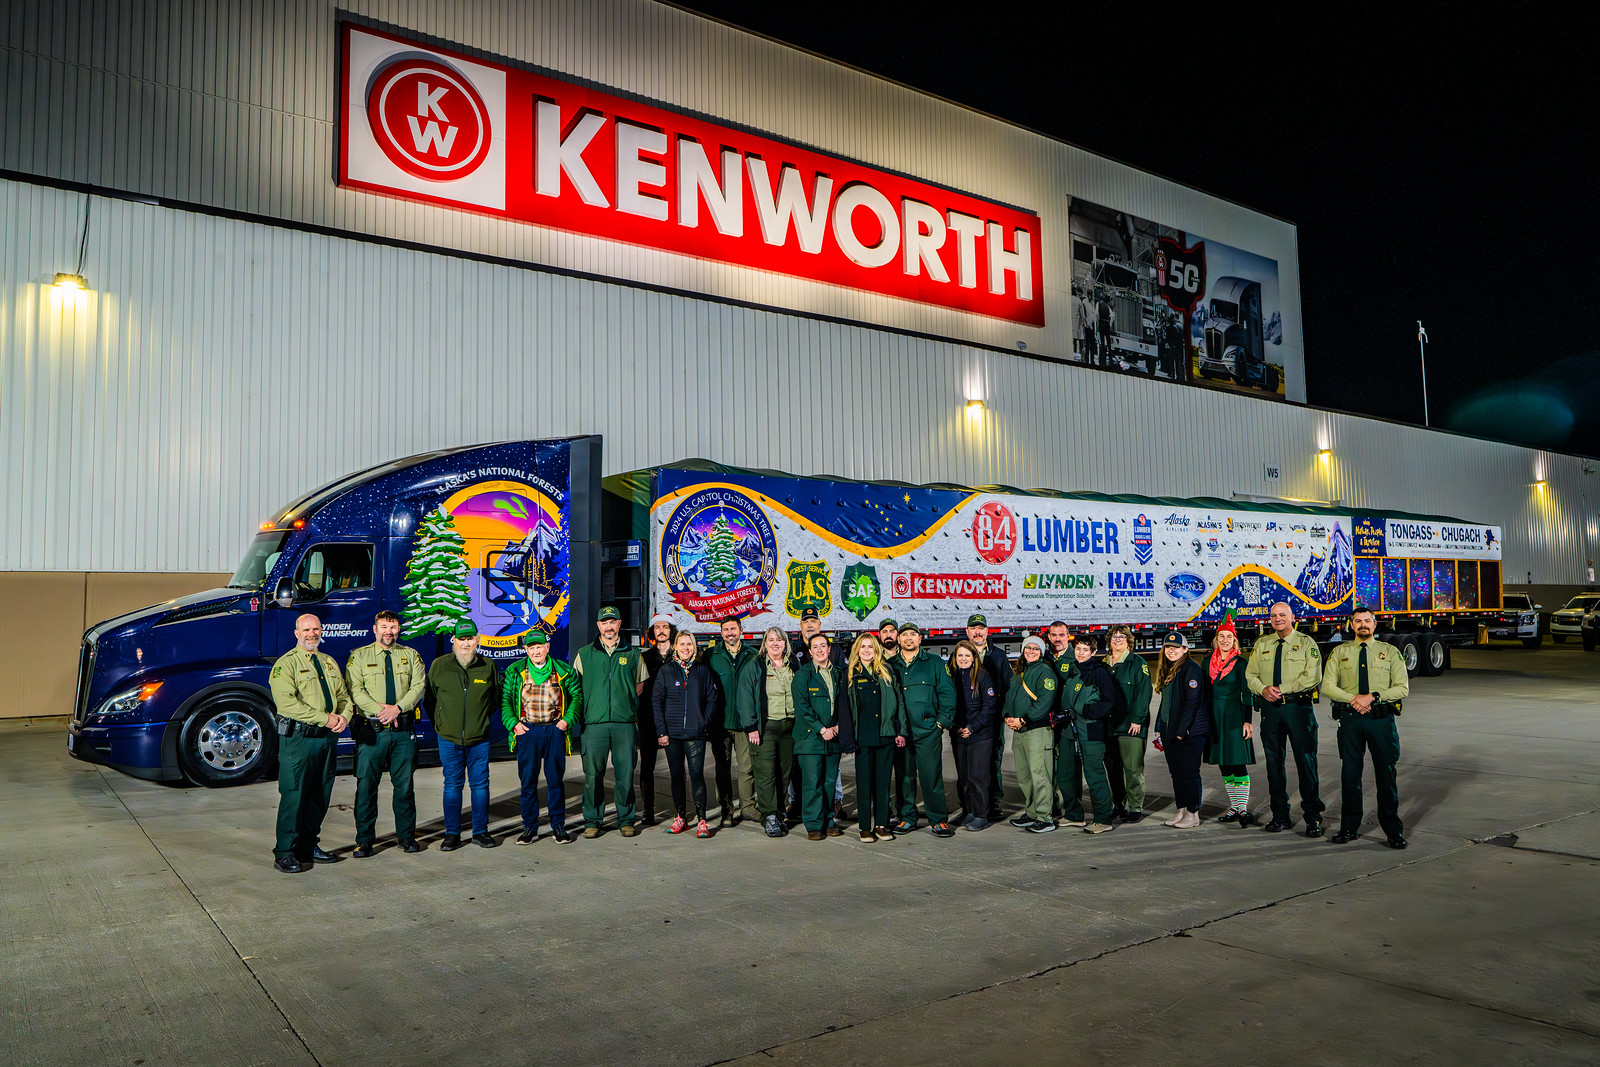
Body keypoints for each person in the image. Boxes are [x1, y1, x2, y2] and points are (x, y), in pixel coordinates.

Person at [267, 613, 350, 873]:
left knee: (319, 795)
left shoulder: (328, 662)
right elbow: (287, 705)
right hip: (299, 740)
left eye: (316, 629)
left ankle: (308, 845)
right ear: (297, 634)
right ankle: (285, 852)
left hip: (326, 740)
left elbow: (344, 696)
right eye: (306, 630)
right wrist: (325, 718)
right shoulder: (286, 665)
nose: (311, 633)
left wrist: (344, 717)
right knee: (294, 795)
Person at [1321, 608, 1410, 848]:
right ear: (1351, 625)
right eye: (1358, 621)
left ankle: (1393, 831)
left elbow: (1402, 688)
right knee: (1350, 776)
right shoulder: (1339, 652)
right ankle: (1348, 828)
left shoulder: (1390, 652)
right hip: (1351, 721)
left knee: (1386, 775)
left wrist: (1373, 696)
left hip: (1381, 721)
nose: (1363, 624)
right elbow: (1327, 686)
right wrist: (1354, 699)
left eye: (1367, 621)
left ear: (1375, 624)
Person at [344, 610, 426, 857]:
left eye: (393, 627)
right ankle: (364, 840)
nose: (388, 632)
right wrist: (383, 712)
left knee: (404, 788)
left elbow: (419, 685)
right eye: (384, 627)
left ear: (398, 629)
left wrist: (398, 708)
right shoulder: (359, 657)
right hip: (372, 731)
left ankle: (406, 837)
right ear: (375, 629)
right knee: (366, 787)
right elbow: (355, 690)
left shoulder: (411, 655)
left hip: (402, 732)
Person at [1245, 601, 1326, 836]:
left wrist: (1281, 688)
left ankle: (1313, 818)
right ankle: (1280, 816)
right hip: (1271, 710)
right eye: (1273, 615)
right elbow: (1250, 674)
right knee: (1273, 764)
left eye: (1282, 615)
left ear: (1292, 617)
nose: (1277, 618)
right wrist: (1262, 689)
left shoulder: (1305, 643)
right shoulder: (1263, 644)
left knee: (1306, 762)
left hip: (1297, 709)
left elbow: (1312, 676)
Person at [572, 605, 649, 838]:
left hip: (623, 724)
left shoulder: (633, 654)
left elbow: (639, 686)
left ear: (619, 624)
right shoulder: (584, 654)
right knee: (593, 775)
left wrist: (623, 705)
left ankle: (626, 819)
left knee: (625, 773)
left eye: (612, 622)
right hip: (594, 724)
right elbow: (575, 688)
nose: (608, 626)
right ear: (598, 626)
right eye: (604, 622)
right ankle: (593, 820)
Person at [500, 628, 580, 845]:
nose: (536, 651)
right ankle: (530, 828)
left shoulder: (563, 670)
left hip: (554, 731)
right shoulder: (515, 671)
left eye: (539, 646)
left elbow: (576, 697)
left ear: (547, 647)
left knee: (555, 781)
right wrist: (514, 724)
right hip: (528, 731)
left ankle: (558, 826)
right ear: (526, 649)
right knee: (528, 782)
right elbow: (506, 699)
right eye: (531, 647)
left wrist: (566, 721)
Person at [425, 621, 500, 850]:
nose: (465, 643)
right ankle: (452, 833)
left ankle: (480, 832)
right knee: (452, 785)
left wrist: (481, 722)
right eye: (461, 639)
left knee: (480, 785)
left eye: (470, 639)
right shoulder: (440, 665)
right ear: (454, 641)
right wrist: (442, 723)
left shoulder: (488, 666)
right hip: (448, 738)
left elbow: (494, 700)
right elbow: (430, 700)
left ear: (477, 640)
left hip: (479, 739)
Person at [889, 623, 958, 837]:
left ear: (920, 639)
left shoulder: (935, 663)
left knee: (931, 776)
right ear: (898, 639)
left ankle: (938, 819)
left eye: (913, 635)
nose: (908, 639)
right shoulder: (890, 665)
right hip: (901, 732)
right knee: (904, 777)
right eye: (904, 635)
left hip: (928, 731)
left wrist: (940, 723)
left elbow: (948, 694)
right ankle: (907, 817)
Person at [652, 629, 721, 838]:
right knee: (676, 776)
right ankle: (680, 817)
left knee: (697, 775)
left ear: (694, 647)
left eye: (689, 644)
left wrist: (703, 721)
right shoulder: (666, 671)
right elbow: (656, 701)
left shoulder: (703, 671)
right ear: (675, 647)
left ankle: (701, 820)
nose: (685, 648)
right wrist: (661, 731)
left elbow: (712, 699)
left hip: (695, 734)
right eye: (681, 644)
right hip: (671, 735)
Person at [841, 633, 906, 841]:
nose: (867, 650)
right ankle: (864, 827)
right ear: (857, 651)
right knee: (864, 784)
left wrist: (900, 730)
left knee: (883, 783)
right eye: (863, 647)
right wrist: (848, 738)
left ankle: (881, 824)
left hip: (885, 734)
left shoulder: (887, 672)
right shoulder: (850, 674)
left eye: (871, 646)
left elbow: (899, 702)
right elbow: (845, 710)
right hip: (863, 737)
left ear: (877, 650)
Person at [737, 627, 798, 838]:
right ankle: (769, 815)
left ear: (785, 643)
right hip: (765, 729)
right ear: (765, 643)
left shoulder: (794, 665)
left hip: (789, 729)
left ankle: (779, 811)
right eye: (771, 640)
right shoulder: (755, 666)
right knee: (765, 775)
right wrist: (751, 726)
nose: (775, 643)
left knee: (783, 774)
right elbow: (744, 698)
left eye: (779, 640)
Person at [1056, 635, 1117, 833]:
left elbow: (1109, 701)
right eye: (1078, 648)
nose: (1080, 653)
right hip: (1068, 731)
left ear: (1093, 652)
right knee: (1066, 775)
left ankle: (1103, 819)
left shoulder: (1099, 673)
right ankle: (1074, 815)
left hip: (1089, 732)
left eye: (1085, 649)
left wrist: (1087, 711)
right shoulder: (1073, 671)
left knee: (1094, 776)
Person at [791, 631, 846, 840]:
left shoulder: (839, 674)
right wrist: (821, 729)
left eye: (823, 646)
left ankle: (829, 820)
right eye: (816, 647)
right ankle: (813, 824)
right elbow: (802, 707)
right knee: (812, 782)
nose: (820, 650)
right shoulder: (803, 675)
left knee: (829, 782)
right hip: (810, 738)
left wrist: (838, 728)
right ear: (809, 651)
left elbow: (845, 705)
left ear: (829, 649)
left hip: (834, 738)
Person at [1203, 616, 1257, 826]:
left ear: (1235, 641)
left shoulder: (1241, 663)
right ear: (1216, 640)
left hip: (1234, 716)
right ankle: (1234, 807)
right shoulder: (1208, 661)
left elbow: (1247, 693)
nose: (1225, 640)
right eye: (1221, 636)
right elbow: (1205, 692)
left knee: (1237, 762)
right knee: (1224, 764)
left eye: (1229, 637)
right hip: (1214, 716)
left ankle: (1242, 809)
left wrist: (1247, 721)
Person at [702, 616, 754, 827]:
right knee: (722, 769)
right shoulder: (710, 655)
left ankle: (748, 807)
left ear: (741, 630)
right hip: (719, 724)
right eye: (726, 629)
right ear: (721, 632)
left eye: (733, 628)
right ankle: (727, 810)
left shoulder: (752, 655)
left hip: (744, 724)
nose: (730, 633)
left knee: (746, 769)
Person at [1003, 635, 1058, 834]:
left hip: (1037, 732)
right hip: (1019, 732)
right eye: (1028, 648)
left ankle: (1045, 817)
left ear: (1041, 652)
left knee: (1040, 775)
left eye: (1035, 649)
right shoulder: (1020, 672)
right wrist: (1007, 717)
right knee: (1025, 776)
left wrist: (1023, 719)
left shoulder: (1045, 673)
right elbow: (1010, 697)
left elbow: (1044, 703)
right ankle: (1032, 812)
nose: (1031, 651)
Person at [1154, 632, 1208, 829]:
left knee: (1189, 773)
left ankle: (1193, 814)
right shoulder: (1170, 669)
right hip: (1170, 730)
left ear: (1185, 649)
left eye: (1176, 647)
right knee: (1176, 772)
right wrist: (1159, 727)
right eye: (1168, 647)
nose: (1171, 650)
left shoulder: (1190, 668)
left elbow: (1192, 702)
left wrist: (1180, 731)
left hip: (1188, 732)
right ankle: (1182, 809)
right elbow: (1165, 703)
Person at [1102, 625, 1152, 823]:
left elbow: (1144, 693)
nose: (1118, 639)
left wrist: (1137, 720)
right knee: (1113, 770)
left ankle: (1136, 807)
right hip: (1109, 727)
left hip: (1131, 726)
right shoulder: (1104, 664)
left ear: (1129, 640)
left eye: (1122, 636)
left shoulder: (1137, 663)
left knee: (1132, 769)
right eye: (1114, 636)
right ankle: (1118, 804)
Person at [947, 639, 998, 831]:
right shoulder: (951, 675)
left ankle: (980, 814)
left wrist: (973, 727)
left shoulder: (983, 676)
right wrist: (957, 726)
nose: (963, 659)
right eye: (960, 655)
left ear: (974, 657)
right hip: (959, 733)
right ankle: (967, 810)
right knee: (964, 776)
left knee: (978, 776)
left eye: (967, 655)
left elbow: (989, 707)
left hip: (980, 734)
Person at [965, 614, 1011, 821]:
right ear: (967, 632)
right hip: (969, 719)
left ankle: (993, 802)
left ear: (987, 631)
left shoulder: (998, 656)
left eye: (981, 628)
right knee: (968, 763)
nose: (977, 632)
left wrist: (1007, 714)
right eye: (973, 628)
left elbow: (1009, 687)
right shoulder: (961, 655)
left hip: (992, 718)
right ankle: (970, 805)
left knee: (993, 760)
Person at [636, 613, 675, 826]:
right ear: (652, 632)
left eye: (665, 627)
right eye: (657, 627)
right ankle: (648, 810)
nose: (661, 630)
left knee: (676, 766)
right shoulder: (644, 657)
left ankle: (679, 810)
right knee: (647, 767)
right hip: (648, 719)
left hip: (674, 719)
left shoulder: (679, 656)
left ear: (671, 630)